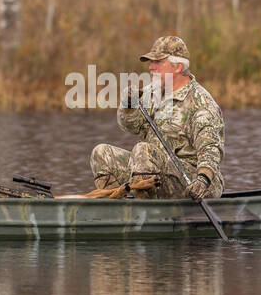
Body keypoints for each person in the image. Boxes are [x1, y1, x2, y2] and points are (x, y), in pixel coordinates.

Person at [90, 35, 225, 200]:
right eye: (150, 62)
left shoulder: (201, 103)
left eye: (158, 62)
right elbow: (129, 127)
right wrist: (129, 106)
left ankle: (145, 215)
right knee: (101, 153)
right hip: (150, 170)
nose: (151, 67)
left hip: (195, 183)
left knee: (143, 150)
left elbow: (210, 150)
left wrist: (202, 179)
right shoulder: (151, 93)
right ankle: (116, 210)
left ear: (178, 67)